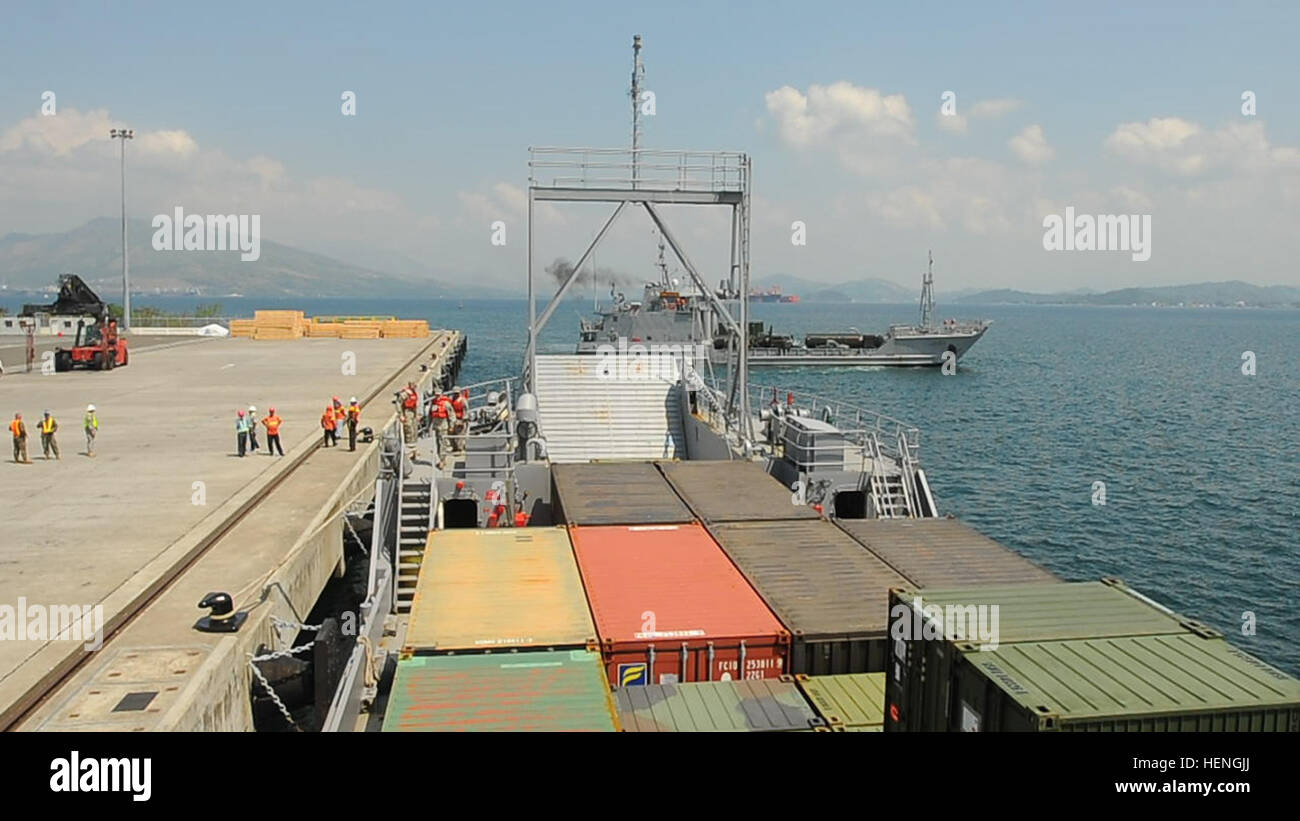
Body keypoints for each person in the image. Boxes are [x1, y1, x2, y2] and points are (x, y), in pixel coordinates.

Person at [431, 391, 452, 467]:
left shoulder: (446, 404)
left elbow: (451, 414)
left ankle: (442, 460)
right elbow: (430, 415)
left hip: (443, 426)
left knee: (443, 443)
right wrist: (429, 425)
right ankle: (441, 458)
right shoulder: (433, 403)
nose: (437, 397)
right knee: (438, 443)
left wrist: (451, 425)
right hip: (436, 426)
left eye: (438, 395)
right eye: (436, 395)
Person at [450, 387, 468, 453]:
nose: (456, 394)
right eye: (455, 393)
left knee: (460, 434)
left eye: (457, 393)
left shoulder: (463, 400)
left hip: (461, 419)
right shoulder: (452, 399)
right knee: (453, 434)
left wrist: (463, 420)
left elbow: (466, 410)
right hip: (454, 418)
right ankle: (455, 447)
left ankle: (460, 448)